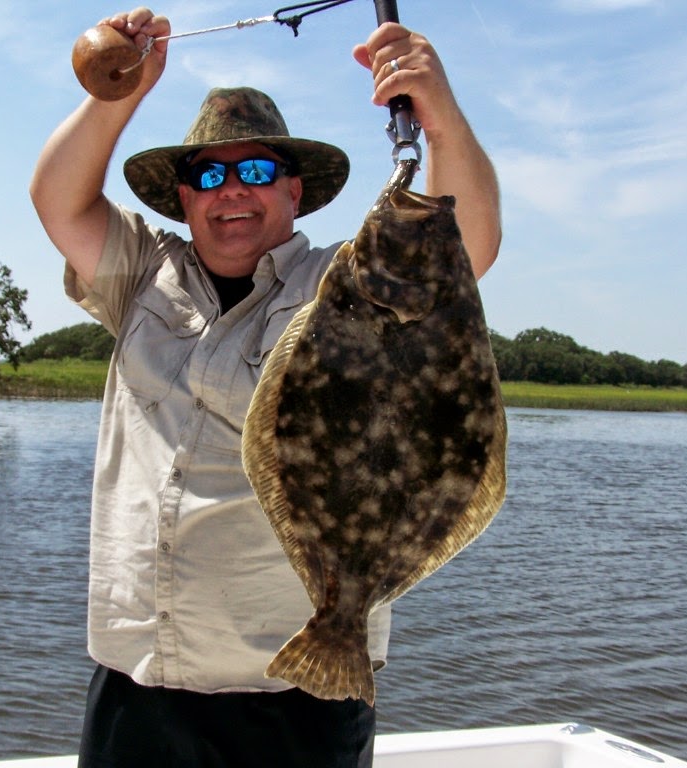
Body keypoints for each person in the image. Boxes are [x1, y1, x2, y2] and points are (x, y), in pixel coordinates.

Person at [30, 6, 501, 767]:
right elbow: (57, 199)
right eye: (207, 174)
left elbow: (465, 243)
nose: (231, 191)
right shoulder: (142, 278)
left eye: (254, 171)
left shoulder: (344, 288)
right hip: (141, 683)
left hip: (301, 695)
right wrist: (120, 91)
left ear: (293, 190)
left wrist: (437, 117)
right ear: (183, 197)